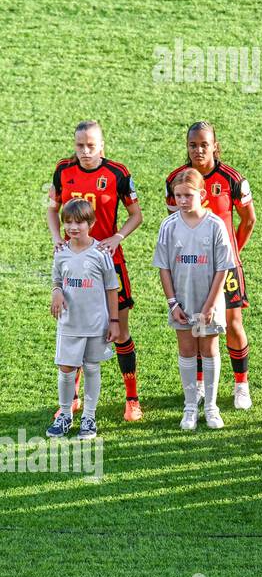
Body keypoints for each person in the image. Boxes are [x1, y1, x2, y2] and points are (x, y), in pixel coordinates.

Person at [47, 120, 143, 421]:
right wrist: (56, 240)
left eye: (91, 146)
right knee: (74, 328)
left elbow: (136, 215)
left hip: (108, 260)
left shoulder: (118, 173)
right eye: (80, 146)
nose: (85, 152)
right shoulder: (63, 170)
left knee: (120, 329)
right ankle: (72, 399)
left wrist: (117, 237)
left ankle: (132, 399)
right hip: (74, 261)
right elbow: (52, 207)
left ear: (102, 145)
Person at [166, 122, 257, 410]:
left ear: (215, 145)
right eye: (193, 145)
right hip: (191, 268)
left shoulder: (232, 179)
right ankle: (202, 386)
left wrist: (230, 255)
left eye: (204, 144)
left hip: (224, 269)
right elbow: (176, 226)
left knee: (231, 324)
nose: (198, 150)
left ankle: (241, 384)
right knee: (195, 324)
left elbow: (249, 220)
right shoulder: (176, 181)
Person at [153, 168, 238, 430]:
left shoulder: (215, 225)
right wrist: (173, 303)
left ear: (202, 195)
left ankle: (211, 406)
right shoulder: (169, 225)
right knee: (187, 350)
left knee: (208, 350)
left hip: (207, 304)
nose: (182, 200)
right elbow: (164, 267)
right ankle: (190, 405)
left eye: (188, 195)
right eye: (178, 195)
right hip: (183, 303)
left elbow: (223, 268)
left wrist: (210, 305)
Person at [46, 199, 120, 440]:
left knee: (91, 368)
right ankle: (65, 415)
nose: (73, 227)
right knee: (66, 369)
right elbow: (57, 281)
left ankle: (89, 416)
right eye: (68, 222)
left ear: (91, 223)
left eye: (79, 222)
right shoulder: (61, 252)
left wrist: (114, 321)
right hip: (69, 324)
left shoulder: (101, 253)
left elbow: (111, 288)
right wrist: (56, 292)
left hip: (96, 324)